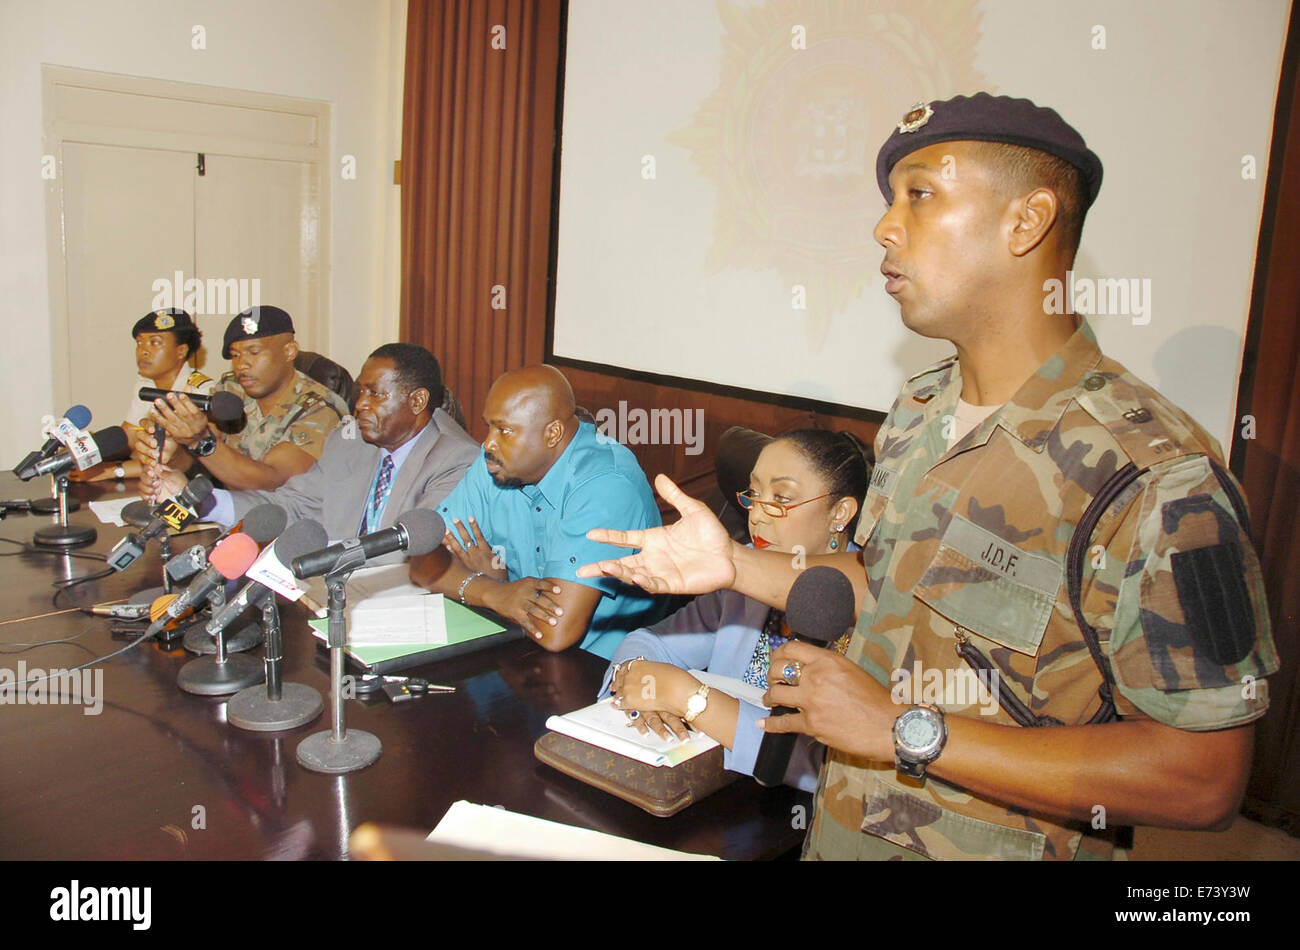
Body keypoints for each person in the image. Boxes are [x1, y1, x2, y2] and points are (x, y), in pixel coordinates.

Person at [581, 93, 1278, 860]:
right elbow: (887, 588)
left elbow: (1204, 778)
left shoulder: (1155, 473)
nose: (884, 226)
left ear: (1026, 222)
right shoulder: (918, 411)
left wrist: (905, 730)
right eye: (889, 202)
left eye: (919, 196)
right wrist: (739, 566)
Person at [604, 429, 870, 793]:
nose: (758, 515)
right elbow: (650, 643)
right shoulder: (747, 574)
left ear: (840, 512)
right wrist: (641, 684)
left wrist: (692, 700)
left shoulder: (874, 601)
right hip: (717, 786)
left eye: (781, 498)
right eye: (754, 494)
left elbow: (824, 764)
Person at [408, 364, 668, 660]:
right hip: (517, 650)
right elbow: (422, 561)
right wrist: (494, 592)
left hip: (604, 673)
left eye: (505, 430)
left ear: (553, 433)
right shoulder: (494, 463)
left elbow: (554, 630)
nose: (489, 443)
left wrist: (495, 587)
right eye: (489, 426)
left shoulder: (606, 484)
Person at [144, 343, 478, 549]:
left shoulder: (456, 459)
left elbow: (410, 551)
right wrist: (199, 500)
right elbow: (291, 505)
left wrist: (320, 562)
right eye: (361, 391)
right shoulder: (352, 443)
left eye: (375, 393)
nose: (359, 404)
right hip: (332, 597)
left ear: (417, 400)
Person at [132, 305, 348, 491]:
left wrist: (200, 441)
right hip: (229, 515)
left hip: (288, 525)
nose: (242, 364)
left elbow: (273, 479)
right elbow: (195, 459)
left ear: (289, 351)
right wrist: (171, 455)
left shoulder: (321, 407)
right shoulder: (232, 389)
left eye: (254, 352)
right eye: (236, 355)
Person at [77, 308, 215, 482]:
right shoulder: (146, 386)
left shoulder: (201, 392)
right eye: (140, 343)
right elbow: (128, 438)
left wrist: (112, 470)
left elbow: (179, 460)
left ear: (181, 351)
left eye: (155, 343)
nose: (143, 351)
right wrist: (87, 453)